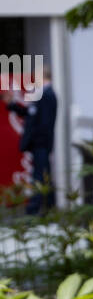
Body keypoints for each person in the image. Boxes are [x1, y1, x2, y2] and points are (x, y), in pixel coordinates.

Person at [1, 62, 57, 214]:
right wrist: (12, 104)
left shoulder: (47, 95)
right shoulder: (41, 94)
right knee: (44, 174)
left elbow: (43, 124)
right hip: (39, 144)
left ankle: (33, 209)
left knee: (39, 176)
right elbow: (30, 114)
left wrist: (34, 140)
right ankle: (50, 206)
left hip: (41, 144)